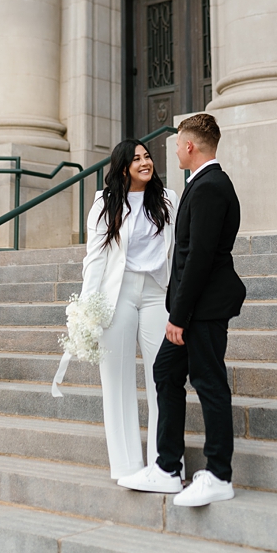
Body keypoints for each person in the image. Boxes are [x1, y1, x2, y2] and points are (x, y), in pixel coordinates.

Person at [116, 113, 246, 507]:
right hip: (193, 307)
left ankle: (220, 474)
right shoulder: (202, 183)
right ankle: (167, 469)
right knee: (165, 372)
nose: (173, 150)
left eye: (177, 144)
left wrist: (178, 315)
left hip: (202, 309)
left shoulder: (210, 187)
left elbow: (199, 259)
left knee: (209, 383)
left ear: (190, 146)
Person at [52, 139, 176, 481]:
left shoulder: (168, 200)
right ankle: (126, 466)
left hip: (156, 294)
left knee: (161, 378)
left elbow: (176, 249)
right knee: (117, 383)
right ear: (123, 167)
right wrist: (86, 308)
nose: (145, 162)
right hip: (117, 295)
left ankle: (162, 464)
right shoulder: (105, 203)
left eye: (147, 156)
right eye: (136, 159)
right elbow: (95, 257)